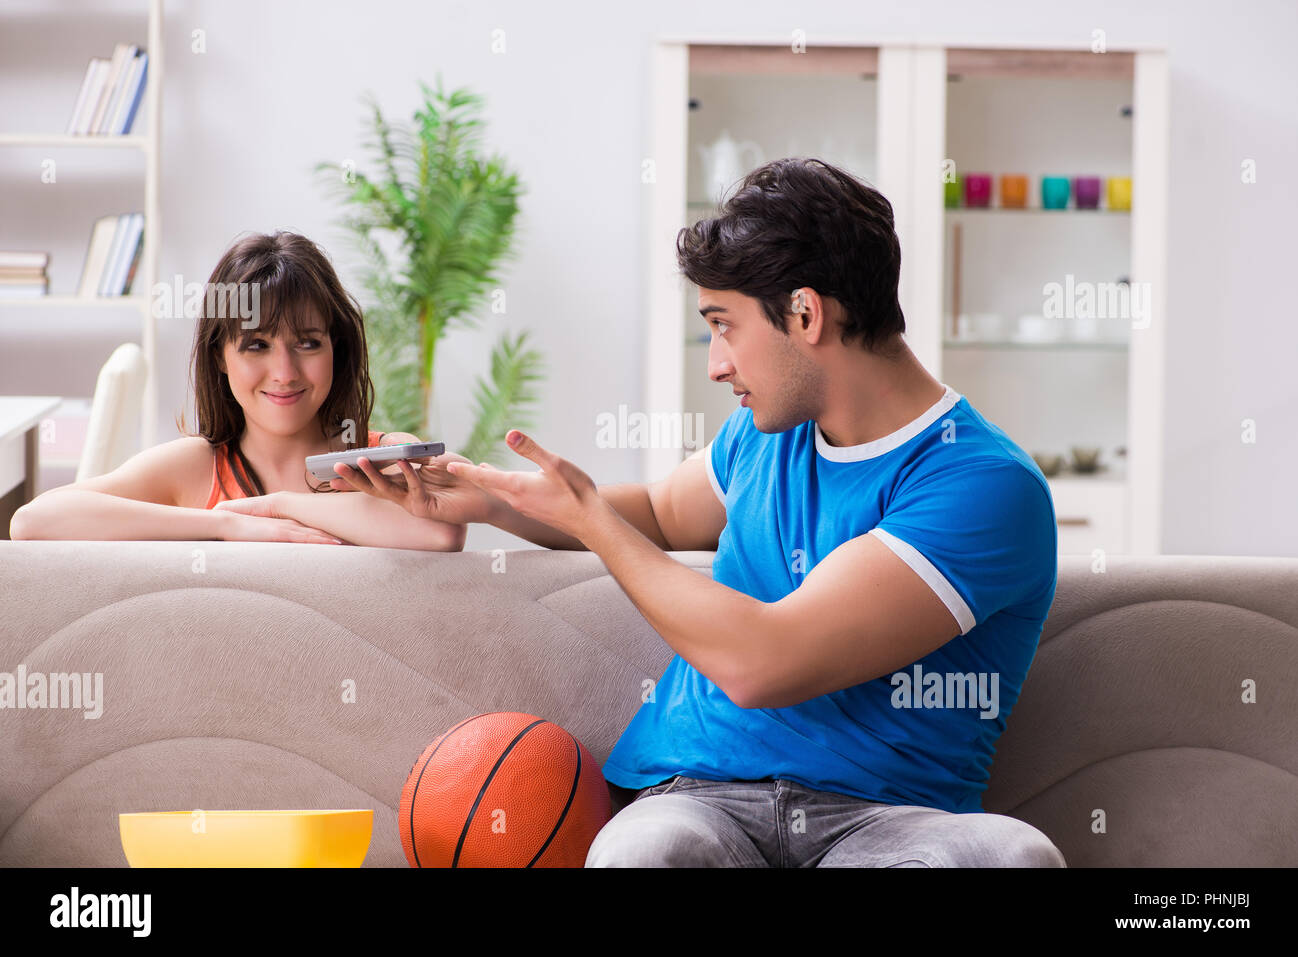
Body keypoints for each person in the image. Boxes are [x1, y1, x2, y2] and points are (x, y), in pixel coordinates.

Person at [330, 159, 1065, 867]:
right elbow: (656, 511)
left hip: (886, 823)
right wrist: (495, 500)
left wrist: (590, 519)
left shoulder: (982, 485)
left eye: (725, 325)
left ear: (806, 313)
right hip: (699, 800)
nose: (716, 363)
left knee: (1010, 855)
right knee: (641, 851)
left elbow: (765, 660)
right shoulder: (766, 432)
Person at [10, 230, 465, 553]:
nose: (284, 372)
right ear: (220, 358)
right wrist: (225, 524)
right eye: (257, 345)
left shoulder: (381, 459)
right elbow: (33, 522)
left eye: (307, 343)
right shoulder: (196, 468)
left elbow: (442, 534)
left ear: (336, 351)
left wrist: (279, 508)